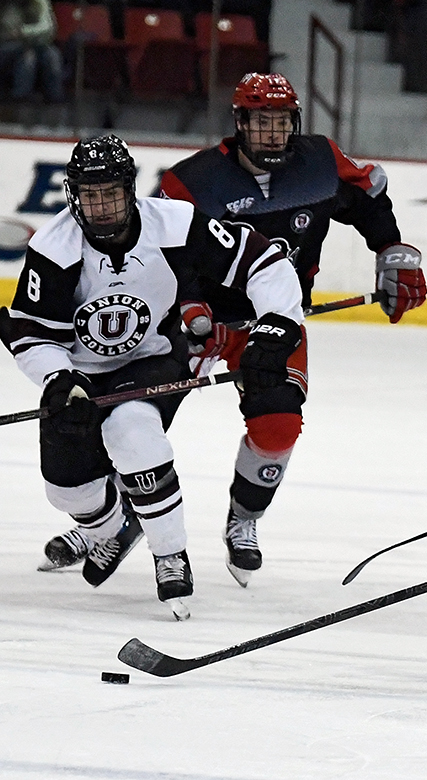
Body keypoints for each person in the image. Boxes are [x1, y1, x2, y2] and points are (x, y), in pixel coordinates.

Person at [4, 135, 304, 618]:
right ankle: (113, 525)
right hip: (81, 373)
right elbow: (31, 335)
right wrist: (59, 380)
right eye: (90, 195)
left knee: (133, 434)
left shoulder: (176, 223)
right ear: (73, 196)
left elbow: (262, 260)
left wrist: (278, 324)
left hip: (153, 357)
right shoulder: (54, 248)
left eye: (111, 194)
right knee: (67, 491)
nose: (101, 207)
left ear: (130, 189)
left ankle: (171, 555)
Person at [151, 73, 425, 588]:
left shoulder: (321, 162)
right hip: (200, 319)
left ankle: (244, 520)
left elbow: (366, 200)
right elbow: (162, 250)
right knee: (140, 416)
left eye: (282, 122)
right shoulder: (193, 180)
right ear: (240, 124)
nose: (274, 133)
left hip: (276, 323)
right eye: (262, 121)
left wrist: (392, 250)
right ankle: (120, 515)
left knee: (277, 426)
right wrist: (189, 306)